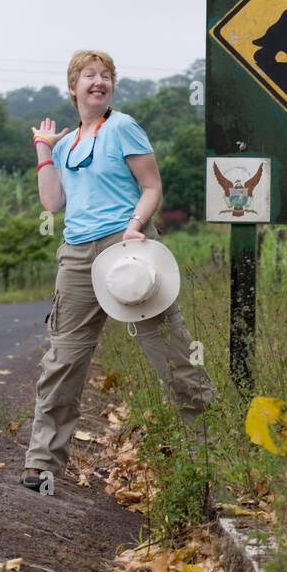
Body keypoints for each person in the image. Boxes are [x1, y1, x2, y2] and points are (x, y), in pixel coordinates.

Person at [23, 49, 215, 491]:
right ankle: (43, 464)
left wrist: (134, 225)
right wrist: (43, 150)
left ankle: (208, 453)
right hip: (76, 253)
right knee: (64, 358)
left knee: (171, 350)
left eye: (106, 75)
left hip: (127, 246)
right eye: (89, 75)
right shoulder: (67, 145)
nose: (99, 81)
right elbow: (52, 203)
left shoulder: (124, 127)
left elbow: (152, 186)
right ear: (73, 88)